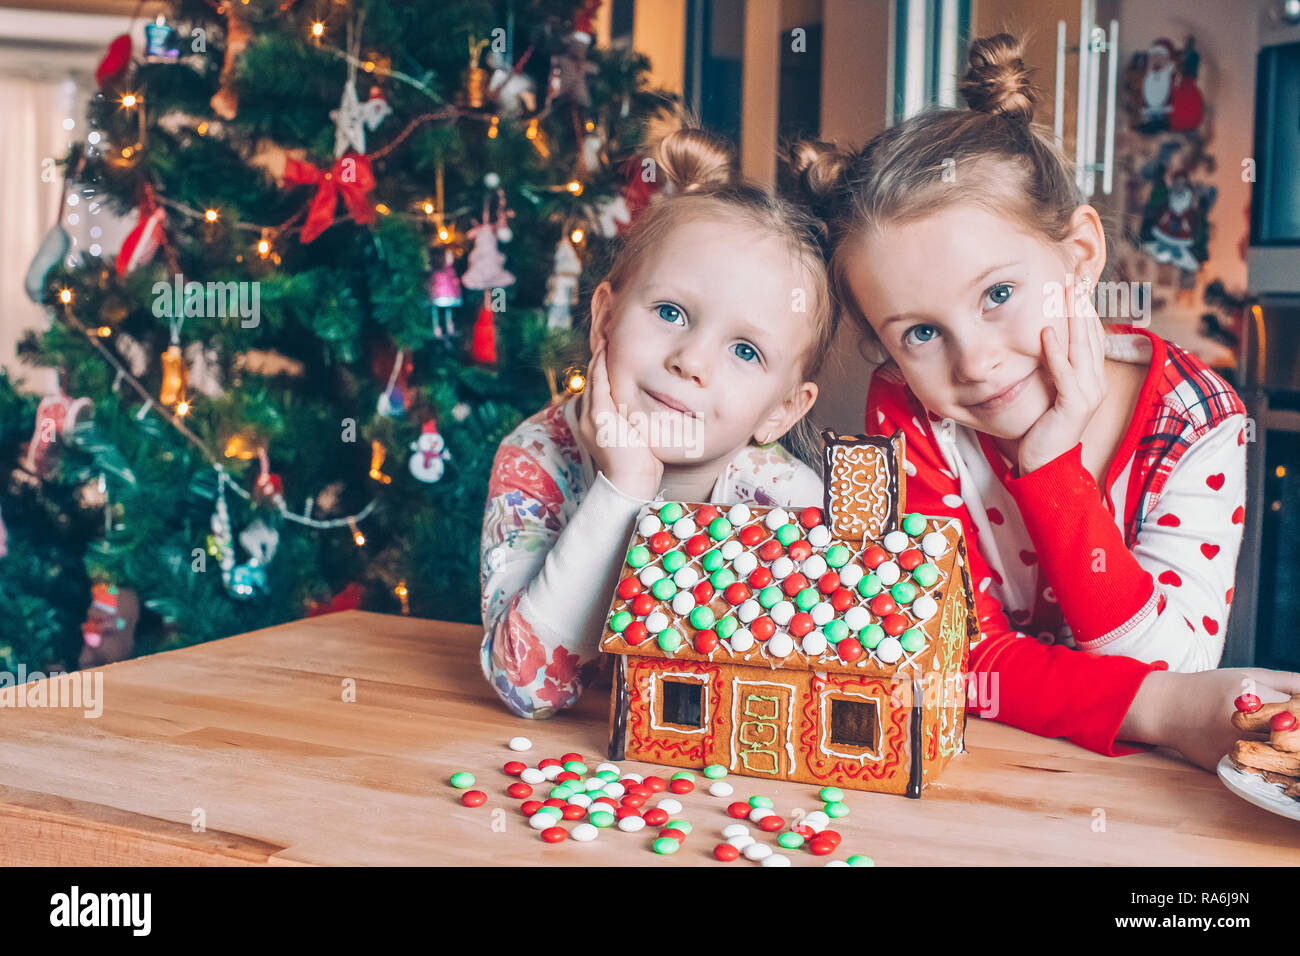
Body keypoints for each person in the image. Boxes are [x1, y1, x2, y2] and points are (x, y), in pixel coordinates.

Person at [791, 33, 1300, 772]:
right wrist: (1154, 708)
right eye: (922, 333)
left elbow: (1175, 658)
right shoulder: (907, 412)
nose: (976, 361)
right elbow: (941, 654)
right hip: (985, 769)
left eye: (999, 294)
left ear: (1080, 256)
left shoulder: (1195, 416)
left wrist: (1049, 469)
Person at [480, 117, 834, 718]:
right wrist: (623, 491)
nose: (691, 360)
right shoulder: (537, 457)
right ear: (604, 320)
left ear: (781, 411)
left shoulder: (786, 504)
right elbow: (526, 687)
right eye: (670, 311)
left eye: (745, 350)